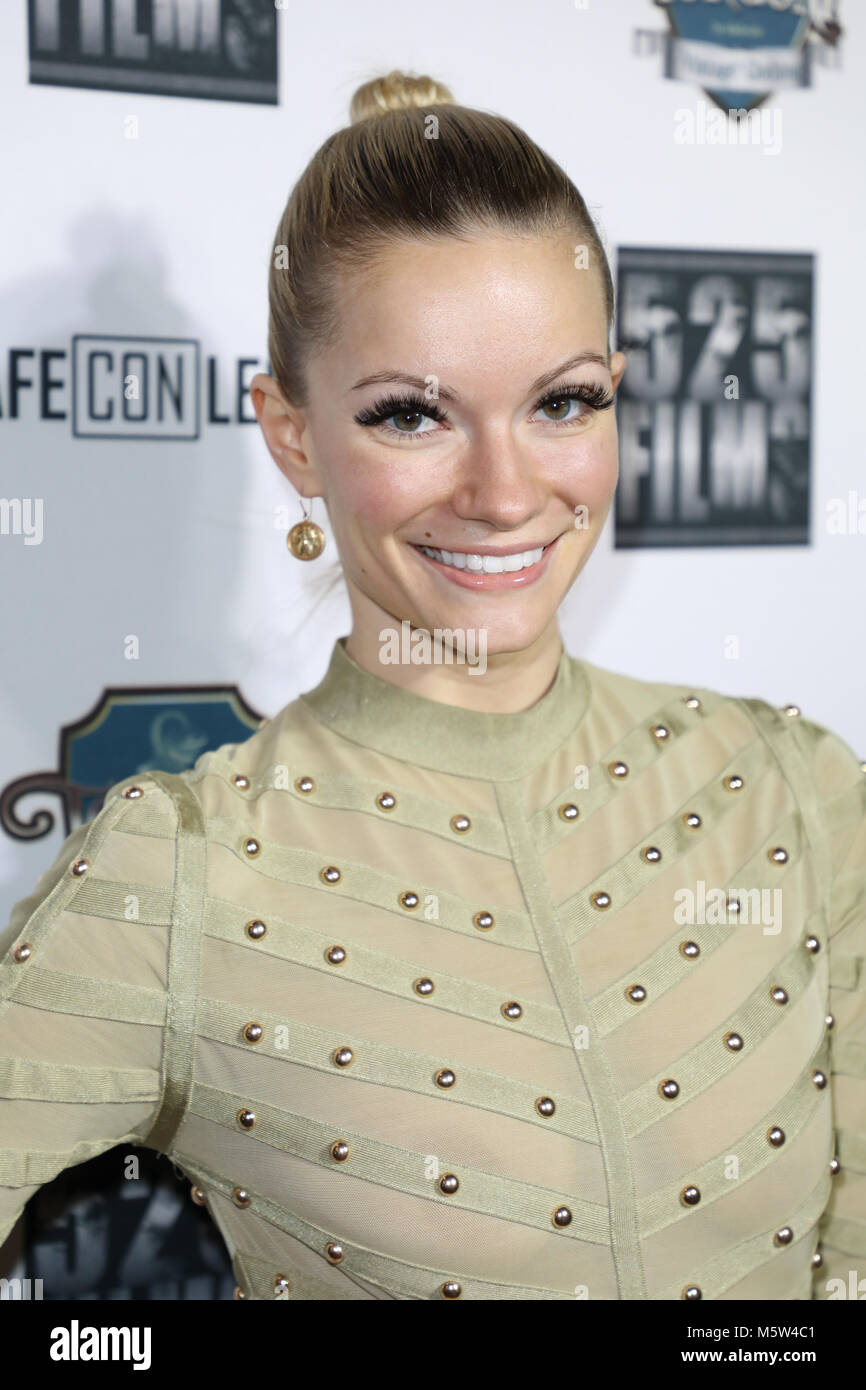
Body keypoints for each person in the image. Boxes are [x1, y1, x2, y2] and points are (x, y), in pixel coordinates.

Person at [0, 70, 863, 1302]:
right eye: (412, 415)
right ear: (292, 436)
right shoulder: (176, 876)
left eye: (563, 402)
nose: (505, 494)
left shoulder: (796, 792)